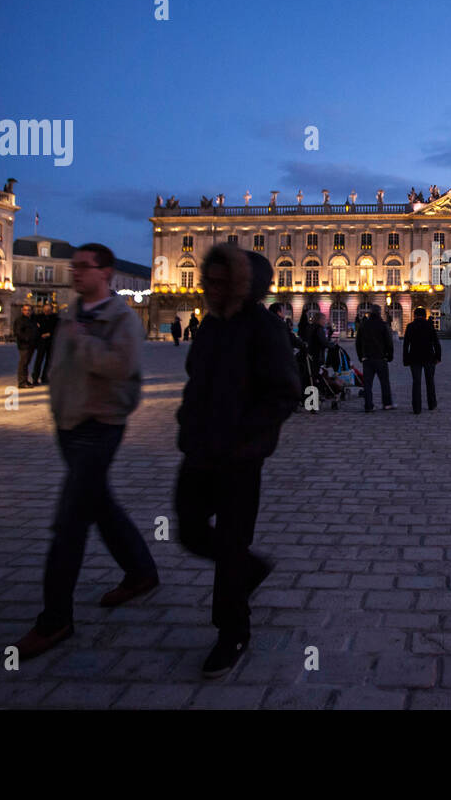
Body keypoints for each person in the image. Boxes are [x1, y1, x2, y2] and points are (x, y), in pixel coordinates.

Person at [13, 243, 157, 660]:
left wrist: (82, 342)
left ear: (106, 272)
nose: (75, 272)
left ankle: (55, 619)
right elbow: (58, 369)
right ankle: (141, 571)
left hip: (101, 425)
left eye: (83, 267)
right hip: (70, 425)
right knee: (99, 504)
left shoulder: (122, 318)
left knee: (69, 524)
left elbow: (121, 367)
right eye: (73, 266)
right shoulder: (71, 314)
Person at [175, 246, 302, 677]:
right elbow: (195, 381)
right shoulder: (210, 326)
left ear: (240, 284)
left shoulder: (265, 328)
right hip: (198, 449)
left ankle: (232, 631)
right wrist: (187, 425)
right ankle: (248, 569)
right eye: (205, 279)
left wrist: (247, 439)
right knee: (190, 529)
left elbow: (286, 392)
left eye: (216, 280)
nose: (207, 287)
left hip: (239, 458)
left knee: (230, 544)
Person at [355, 303, 395, 412]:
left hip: (367, 358)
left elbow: (358, 342)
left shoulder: (363, 325)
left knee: (367, 384)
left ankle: (368, 405)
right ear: (379, 312)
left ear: (370, 312)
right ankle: (387, 404)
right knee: (384, 382)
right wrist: (389, 355)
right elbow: (389, 342)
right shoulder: (383, 325)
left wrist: (360, 356)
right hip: (380, 358)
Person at [402, 306, 441, 413]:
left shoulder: (410, 326)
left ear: (414, 315)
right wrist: (438, 357)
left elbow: (406, 345)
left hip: (414, 357)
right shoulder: (429, 325)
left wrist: (405, 360)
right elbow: (436, 342)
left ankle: (417, 408)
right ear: (425, 316)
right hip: (429, 357)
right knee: (430, 382)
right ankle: (432, 404)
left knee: (416, 383)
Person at [31, 303, 59, 386]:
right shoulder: (38, 317)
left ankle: (45, 377)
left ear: (52, 310)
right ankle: (35, 378)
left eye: (49, 310)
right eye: (45, 310)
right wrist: (41, 334)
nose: (47, 311)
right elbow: (35, 328)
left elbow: (58, 329)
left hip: (51, 342)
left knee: (49, 360)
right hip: (41, 342)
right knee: (38, 360)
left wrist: (49, 334)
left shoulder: (55, 318)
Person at [13, 303, 38, 387]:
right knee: (23, 363)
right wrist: (27, 339)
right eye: (25, 310)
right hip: (24, 345)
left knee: (26, 363)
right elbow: (18, 332)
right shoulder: (20, 320)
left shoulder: (32, 320)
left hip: (31, 345)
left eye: (29, 310)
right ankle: (22, 382)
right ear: (22, 311)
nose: (27, 312)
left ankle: (25, 380)